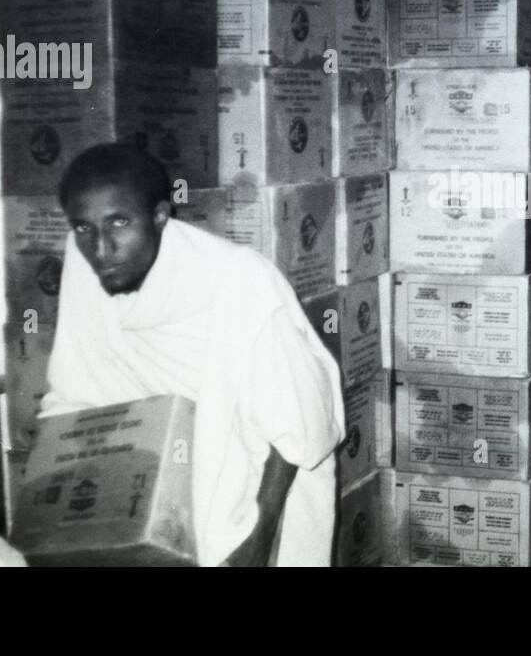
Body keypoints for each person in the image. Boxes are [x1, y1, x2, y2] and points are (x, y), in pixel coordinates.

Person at [38, 144, 345, 567]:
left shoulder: (237, 279)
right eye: (83, 228)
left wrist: (259, 540)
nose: (101, 250)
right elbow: (77, 390)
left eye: (119, 223)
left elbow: (298, 426)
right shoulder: (85, 263)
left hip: (250, 502)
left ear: (160, 216)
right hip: (152, 498)